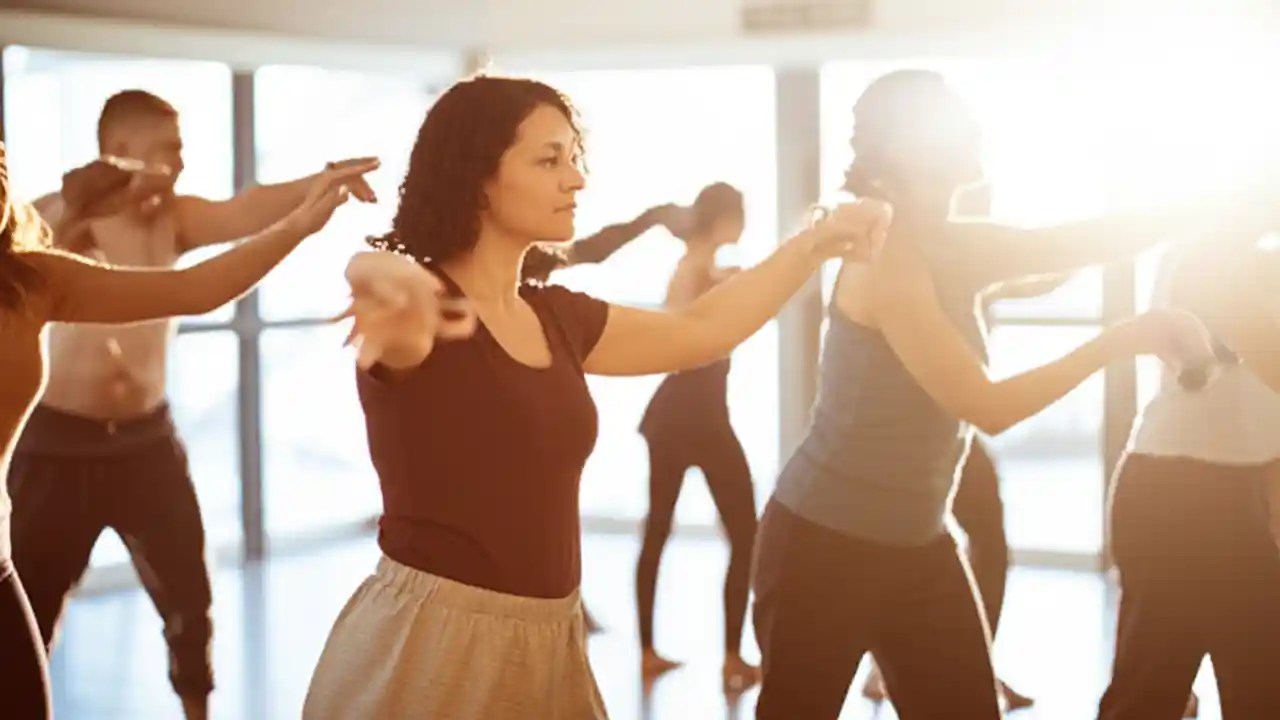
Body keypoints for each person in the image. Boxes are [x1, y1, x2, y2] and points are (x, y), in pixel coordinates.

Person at [301, 74, 889, 720]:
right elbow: (374, 276)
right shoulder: (420, 311)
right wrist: (380, 274)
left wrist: (816, 244)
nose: (575, 180)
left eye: (573, 159)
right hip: (433, 647)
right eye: (549, 160)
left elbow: (701, 330)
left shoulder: (559, 318)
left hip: (550, 639)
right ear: (478, 176)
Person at [750, 69, 1225, 720]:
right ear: (900, 150)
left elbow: (1072, 242)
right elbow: (987, 407)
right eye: (951, 120)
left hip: (919, 545)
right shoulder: (887, 257)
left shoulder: (954, 241)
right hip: (824, 547)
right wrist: (1123, 339)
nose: (974, 129)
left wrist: (1208, 205)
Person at [6, 89, 377, 720]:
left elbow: (245, 211)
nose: (179, 164)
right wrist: (75, 204)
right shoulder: (48, 222)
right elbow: (28, 242)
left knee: (188, 601)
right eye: (169, 150)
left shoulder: (171, 220)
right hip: (56, 447)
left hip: (146, 442)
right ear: (121, 150)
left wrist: (320, 182)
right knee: (34, 607)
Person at [1097, 230, 1280, 720]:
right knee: (1149, 698)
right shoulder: (1208, 258)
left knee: (1263, 693)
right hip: (1182, 494)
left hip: (1251, 488)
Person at [630, 182, 760, 690]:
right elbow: (679, 333)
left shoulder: (708, 268)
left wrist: (727, 285)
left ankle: (728, 656)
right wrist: (726, 292)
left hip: (696, 415)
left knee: (729, 533)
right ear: (724, 219)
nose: (746, 222)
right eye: (742, 213)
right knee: (685, 530)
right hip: (688, 417)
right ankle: (713, 656)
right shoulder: (693, 268)